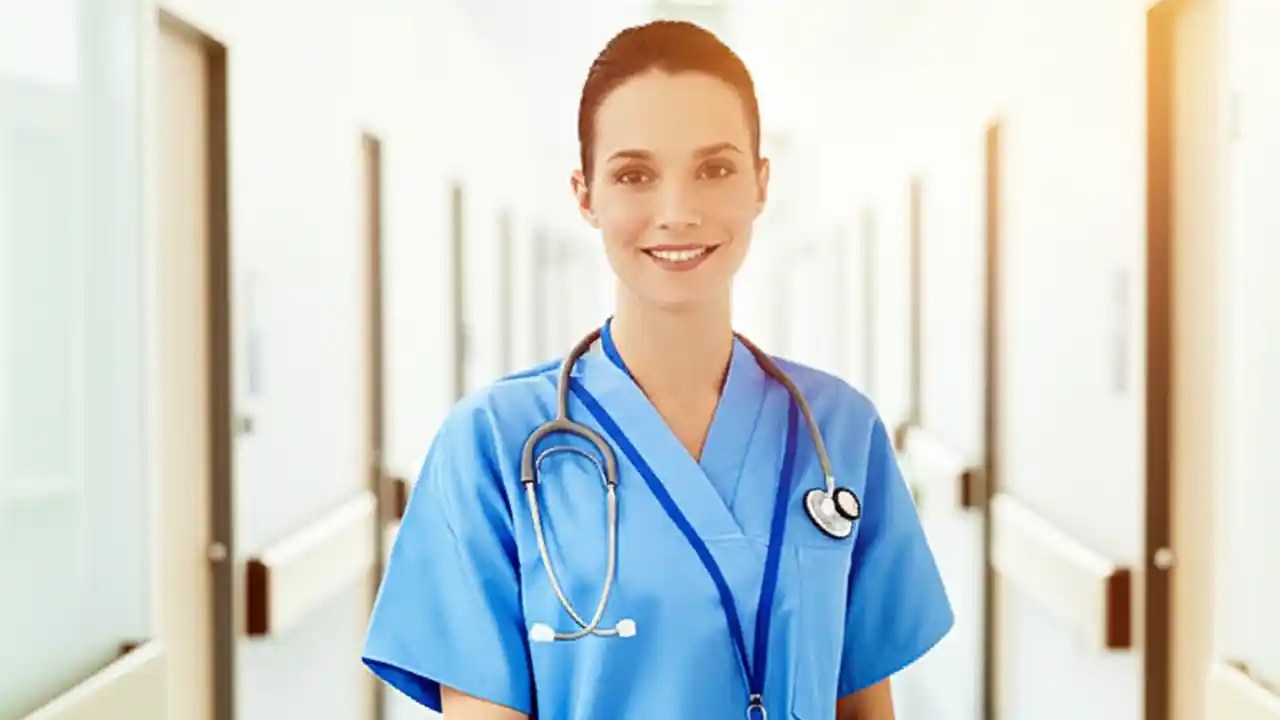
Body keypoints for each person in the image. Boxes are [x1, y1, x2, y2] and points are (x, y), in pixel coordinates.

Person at [362, 19, 952, 720]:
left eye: (715, 169)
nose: (677, 212)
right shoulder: (492, 443)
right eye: (635, 174)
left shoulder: (838, 431)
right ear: (585, 194)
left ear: (761, 184)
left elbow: (861, 707)